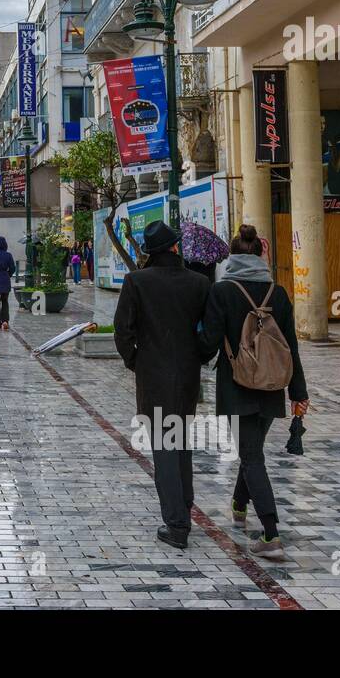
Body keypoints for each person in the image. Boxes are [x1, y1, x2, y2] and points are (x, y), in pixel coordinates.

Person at [198, 224, 309, 560]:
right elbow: (291, 346)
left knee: (251, 456)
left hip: (237, 387)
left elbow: (208, 346)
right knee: (253, 450)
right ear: (261, 256)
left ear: (231, 257)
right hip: (273, 385)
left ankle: (271, 534)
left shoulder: (222, 291)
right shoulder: (279, 292)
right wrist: (298, 393)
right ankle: (239, 504)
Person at [112, 220, 212, 551]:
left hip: (153, 374)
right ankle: (183, 508)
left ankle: (177, 523)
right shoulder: (198, 283)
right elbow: (209, 332)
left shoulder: (136, 281)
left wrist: (136, 360)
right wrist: (198, 354)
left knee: (166, 446)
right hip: (186, 375)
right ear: (174, 247)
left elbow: (122, 330)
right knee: (179, 442)